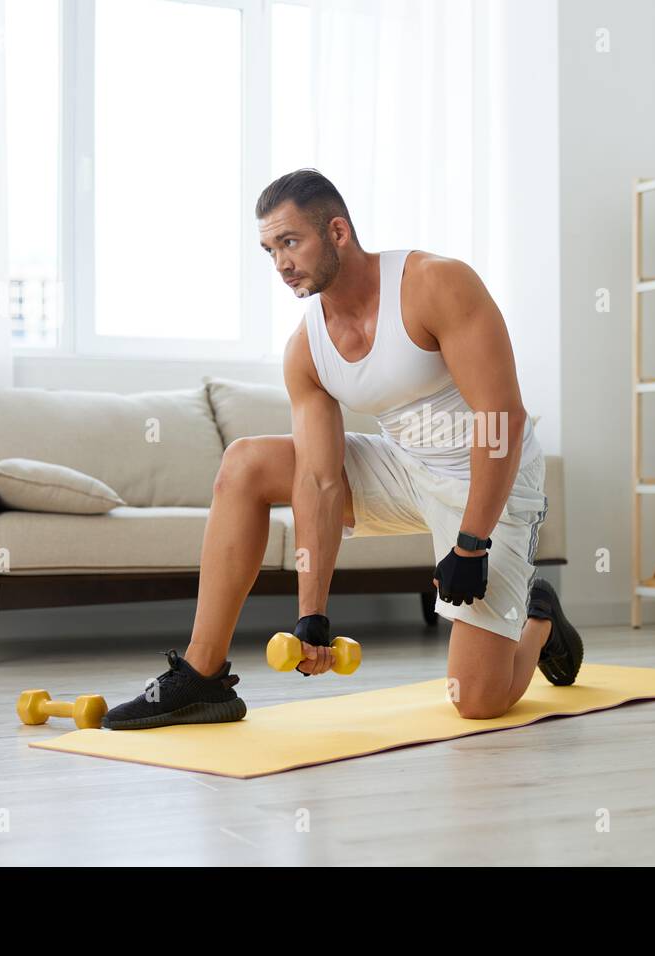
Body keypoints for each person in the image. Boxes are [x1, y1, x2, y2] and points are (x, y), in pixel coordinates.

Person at [102, 169, 582, 730]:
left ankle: (538, 614)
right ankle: (201, 677)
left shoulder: (435, 284)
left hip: (489, 478)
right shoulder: (307, 348)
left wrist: (471, 545)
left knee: (477, 701)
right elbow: (319, 480)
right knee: (247, 463)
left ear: (337, 232)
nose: (280, 263)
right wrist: (312, 614)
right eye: (268, 250)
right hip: (405, 468)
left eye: (289, 242)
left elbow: (500, 420)